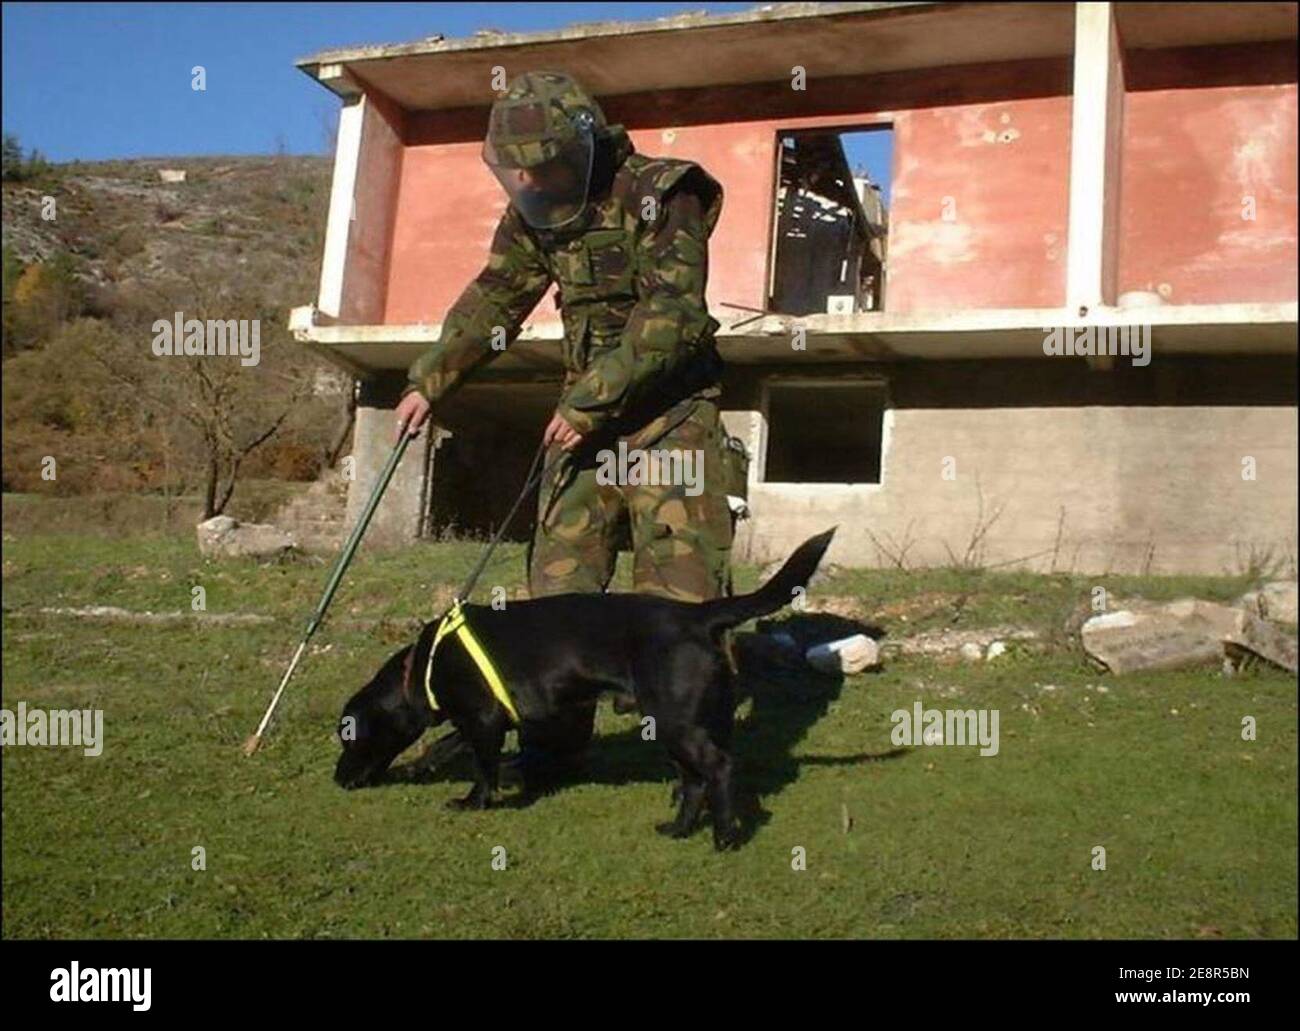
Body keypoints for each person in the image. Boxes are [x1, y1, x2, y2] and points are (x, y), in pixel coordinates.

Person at [394, 70, 737, 783]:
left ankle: (699, 757)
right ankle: (551, 748)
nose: (535, 181)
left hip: (668, 419)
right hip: (584, 423)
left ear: (583, 146)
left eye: (547, 165)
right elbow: (496, 299)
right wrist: (430, 380)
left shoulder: (664, 194)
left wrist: (587, 402)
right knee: (557, 589)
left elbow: (671, 318)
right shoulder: (535, 211)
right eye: (522, 171)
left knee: (678, 595)